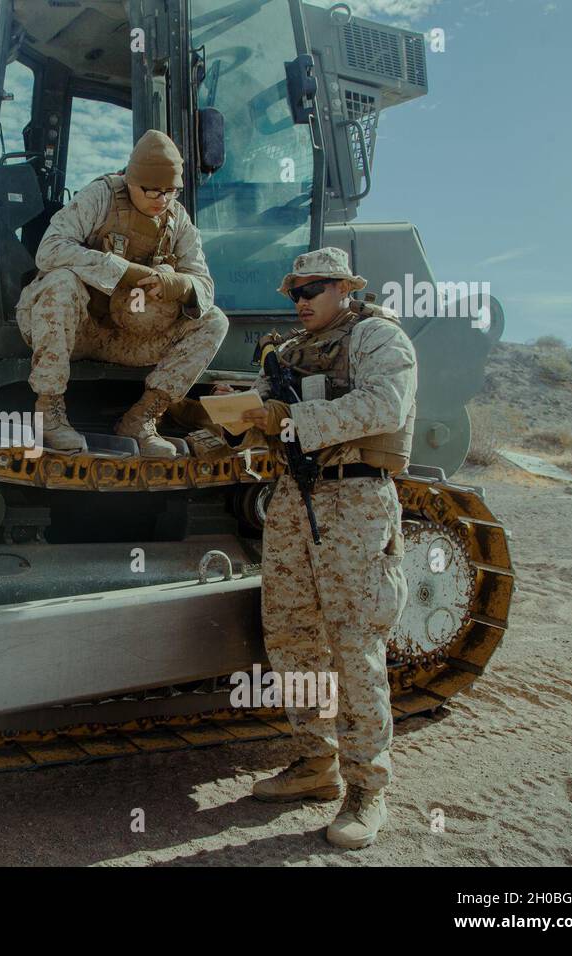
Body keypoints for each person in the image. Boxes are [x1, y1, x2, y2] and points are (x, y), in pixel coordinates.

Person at [238, 246, 417, 850]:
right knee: (292, 635)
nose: (302, 300)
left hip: (357, 499)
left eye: (314, 288)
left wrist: (290, 418)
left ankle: (369, 788)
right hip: (296, 497)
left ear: (344, 288)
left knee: (353, 640)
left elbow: (385, 405)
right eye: (295, 291)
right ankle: (315, 763)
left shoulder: (376, 338)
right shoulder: (288, 351)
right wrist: (235, 415)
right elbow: (265, 406)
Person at [15, 130, 228, 456]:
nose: (161, 199)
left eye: (170, 191)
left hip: (129, 338)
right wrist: (122, 271)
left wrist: (180, 285)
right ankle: (49, 410)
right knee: (59, 282)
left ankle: (143, 417)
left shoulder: (178, 221)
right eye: (151, 190)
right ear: (130, 181)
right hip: (78, 330)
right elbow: (50, 249)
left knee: (214, 320)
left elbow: (205, 287)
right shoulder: (101, 196)